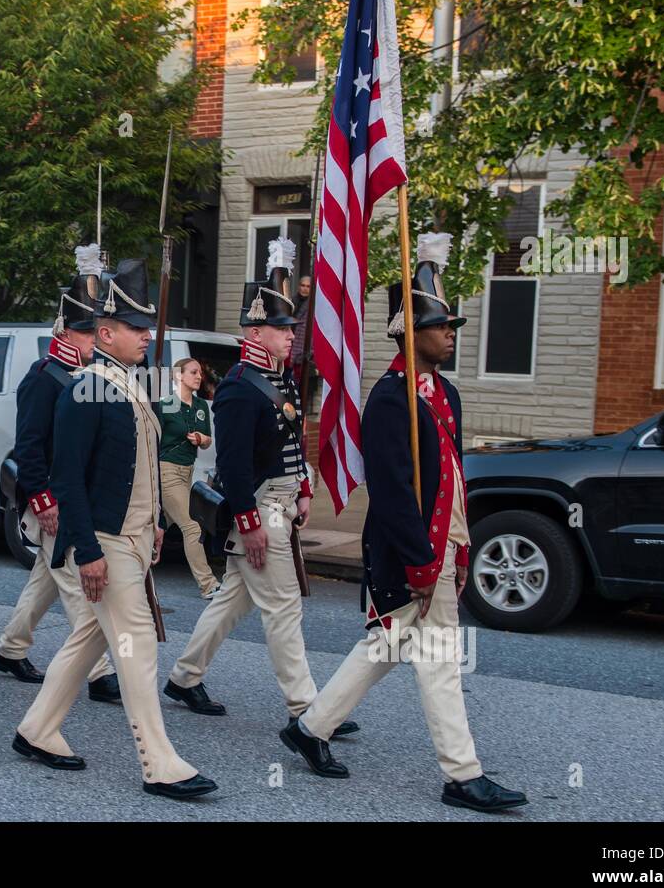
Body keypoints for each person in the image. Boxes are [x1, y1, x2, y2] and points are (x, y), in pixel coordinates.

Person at [279, 233, 527, 814]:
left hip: (444, 545)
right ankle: (462, 775)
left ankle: (310, 728)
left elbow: (452, 481)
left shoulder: (445, 394)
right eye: (442, 326)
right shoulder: (391, 400)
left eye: (452, 325)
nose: (451, 334)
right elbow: (391, 494)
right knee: (439, 660)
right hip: (415, 553)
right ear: (411, 333)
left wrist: (460, 547)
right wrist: (421, 560)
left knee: (389, 646)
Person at [13, 258, 217, 800]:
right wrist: (86, 551)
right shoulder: (85, 387)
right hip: (103, 538)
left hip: (131, 535)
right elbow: (67, 478)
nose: (147, 334)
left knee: (90, 638)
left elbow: (143, 464)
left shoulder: (125, 382)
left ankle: (37, 729)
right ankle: (159, 762)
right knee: (138, 642)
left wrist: (152, 529)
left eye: (146, 325)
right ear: (104, 333)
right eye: (135, 326)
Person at [164, 238, 357, 740]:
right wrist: (249, 522)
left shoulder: (283, 380)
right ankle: (308, 710)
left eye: (291, 328)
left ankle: (184, 677)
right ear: (254, 331)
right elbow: (229, 464)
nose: (291, 336)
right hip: (259, 509)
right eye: (280, 328)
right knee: (284, 605)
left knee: (233, 598)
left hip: (284, 497)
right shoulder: (237, 386)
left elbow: (293, 442)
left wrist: (306, 490)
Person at [0, 244, 119, 702]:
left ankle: (10, 647)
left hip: (80, 496)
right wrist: (41, 499)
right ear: (66, 330)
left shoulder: (91, 376)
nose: (94, 340)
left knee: (47, 579)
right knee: (80, 590)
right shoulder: (44, 377)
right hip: (56, 498)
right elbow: (29, 445)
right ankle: (100, 672)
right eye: (88, 333)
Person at [155, 357, 221, 598]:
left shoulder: (202, 406)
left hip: (188, 471)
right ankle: (208, 584)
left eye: (200, 373)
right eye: (193, 372)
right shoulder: (166, 405)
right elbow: (153, 440)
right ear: (178, 376)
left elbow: (208, 440)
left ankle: (125, 565)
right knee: (192, 526)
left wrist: (202, 440)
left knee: (158, 525)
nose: (199, 377)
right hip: (167, 470)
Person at [290, 275, 312, 391]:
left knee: (297, 388)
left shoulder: (312, 306)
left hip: (301, 353)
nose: (305, 289)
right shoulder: (291, 302)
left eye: (308, 286)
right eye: (302, 285)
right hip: (288, 347)